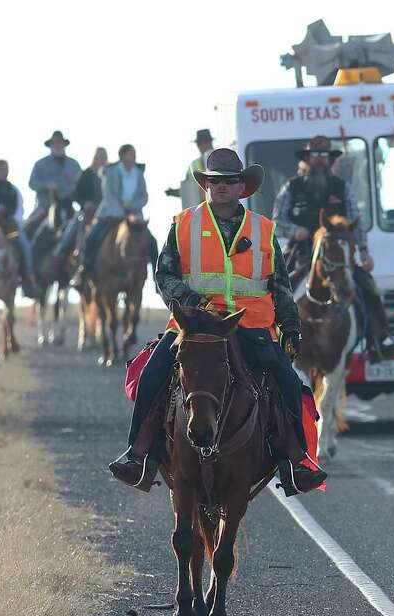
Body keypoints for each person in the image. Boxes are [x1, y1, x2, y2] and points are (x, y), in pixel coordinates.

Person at [108, 148, 327, 496]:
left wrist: (290, 328)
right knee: (153, 373)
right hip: (193, 326)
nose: (221, 187)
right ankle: (138, 455)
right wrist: (192, 303)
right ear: (206, 186)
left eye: (228, 181)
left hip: (252, 327)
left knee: (288, 381)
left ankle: (295, 461)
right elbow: (165, 277)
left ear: (242, 186)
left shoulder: (264, 230)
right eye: (215, 182)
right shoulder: (183, 224)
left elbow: (281, 286)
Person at [273, 135, 394, 362]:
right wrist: (295, 230)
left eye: (324, 156)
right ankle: (268, 339)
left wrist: (363, 251)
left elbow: (355, 221)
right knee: (274, 286)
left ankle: (379, 339)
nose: (320, 160)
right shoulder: (291, 188)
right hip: (301, 252)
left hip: (337, 253)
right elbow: (276, 222)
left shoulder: (342, 188)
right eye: (316, 156)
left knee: (367, 285)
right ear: (307, 158)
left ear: (330, 160)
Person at [70, 144, 158, 287]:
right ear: (122, 156)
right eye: (130, 154)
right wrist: (121, 213)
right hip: (110, 214)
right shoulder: (111, 172)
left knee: (152, 242)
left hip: (133, 217)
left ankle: (157, 278)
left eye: (134, 154)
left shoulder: (138, 173)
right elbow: (109, 195)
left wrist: (132, 209)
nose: (133, 157)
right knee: (91, 238)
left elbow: (144, 196)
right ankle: (83, 271)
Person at [0, 159, 40, 297]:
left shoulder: (13, 189)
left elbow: (19, 210)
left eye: (5, 168)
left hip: (9, 226)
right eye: (1, 169)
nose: (4, 171)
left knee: (25, 246)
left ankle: (28, 278)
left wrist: (14, 220)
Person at [23, 131, 81, 241]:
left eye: (60, 142)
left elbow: (80, 185)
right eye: (55, 143)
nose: (58, 145)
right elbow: (32, 184)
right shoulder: (40, 164)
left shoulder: (74, 164)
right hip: (44, 206)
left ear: (64, 144)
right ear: (50, 145)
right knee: (27, 230)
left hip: (68, 205)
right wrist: (46, 185)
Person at [55, 147, 108, 265]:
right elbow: (76, 195)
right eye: (99, 157)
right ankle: (61, 252)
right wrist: (85, 203)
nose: (101, 160)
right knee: (74, 227)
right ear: (94, 158)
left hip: (105, 212)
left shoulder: (109, 176)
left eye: (103, 157)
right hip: (87, 211)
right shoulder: (86, 174)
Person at [165, 128, 215, 205]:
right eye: (199, 143)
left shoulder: (221, 159)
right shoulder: (193, 165)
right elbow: (188, 190)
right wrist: (174, 192)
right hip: (202, 210)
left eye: (205, 142)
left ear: (210, 142)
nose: (201, 145)